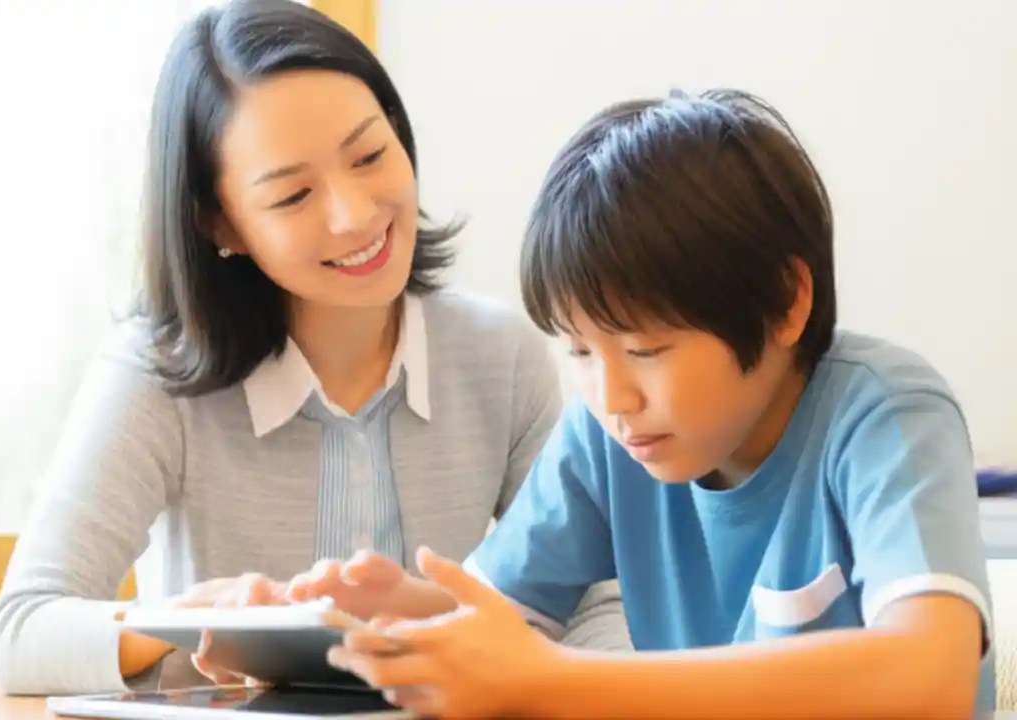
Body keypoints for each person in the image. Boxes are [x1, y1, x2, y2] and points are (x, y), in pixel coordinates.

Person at [0, 0, 629, 697]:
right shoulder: (156, 376)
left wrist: (582, 689)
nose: (355, 215)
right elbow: (23, 628)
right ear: (218, 223)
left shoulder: (499, 355)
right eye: (292, 196)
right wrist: (183, 618)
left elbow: (600, 603)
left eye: (371, 155)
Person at [294, 89, 996, 717]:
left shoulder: (886, 413)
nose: (611, 396)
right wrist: (340, 628)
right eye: (577, 352)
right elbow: (492, 627)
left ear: (785, 302)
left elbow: (928, 677)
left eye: (645, 350)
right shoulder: (612, 436)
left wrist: (560, 681)